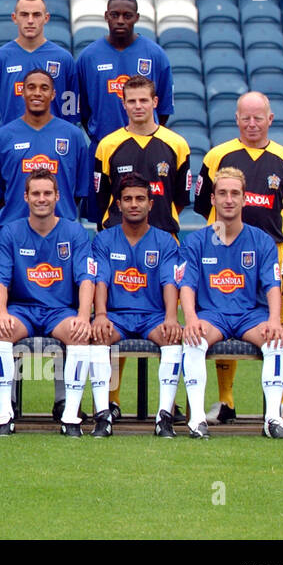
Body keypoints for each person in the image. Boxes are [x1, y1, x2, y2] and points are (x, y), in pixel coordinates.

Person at [194, 90, 283, 423]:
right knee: (223, 319)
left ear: (270, 119)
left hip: (271, 259)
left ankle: (282, 411)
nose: (252, 123)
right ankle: (226, 401)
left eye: (259, 117)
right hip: (224, 258)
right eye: (246, 117)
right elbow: (202, 207)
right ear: (236, 119)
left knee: (277, 330)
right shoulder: (217, 156)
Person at [177, 167, 283, 439]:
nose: (229, 199)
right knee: (193, 339)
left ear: (244, 199)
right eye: (222, 193)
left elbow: (273, 285)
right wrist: (191, 319)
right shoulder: (196, 241)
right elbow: (187, 285)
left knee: (275, 340)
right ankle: (196, 419)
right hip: (212, 315)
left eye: (235, 193)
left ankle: (273, 418)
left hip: (250, 315)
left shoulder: (262, 240)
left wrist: (275, 320)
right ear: (213, 199)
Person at [0, 170, 97, 437]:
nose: (41, 198)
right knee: (0, 331)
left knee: (80, 334)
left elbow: (86, 278)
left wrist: (84, 316)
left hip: (59, 311)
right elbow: (0, 279)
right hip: (22, 310)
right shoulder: (10, 232)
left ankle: (70, 415)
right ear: (25, 197)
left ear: (57, 196)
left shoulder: (74, 232)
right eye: (35, 193)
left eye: (47, 193)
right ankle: (4, 413)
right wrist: (0, 313)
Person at [91, 174, 184, 438]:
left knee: (172, 338)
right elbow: (101, 280)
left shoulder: (165, 241)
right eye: (128, 199)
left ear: (151, 204)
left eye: (140, 199)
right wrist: (100, 315)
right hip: (117, 316)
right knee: (98, 336)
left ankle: (164, 417)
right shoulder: (104, 240)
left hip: (152, 316)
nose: (134, 204)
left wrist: (170, 317)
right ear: (118, 204)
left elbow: (169, 281)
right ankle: (102, 415)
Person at [0, 68, 90, 226]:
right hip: (15, 229)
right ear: (22, 92)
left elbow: (78, 193)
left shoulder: (73, 136)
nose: (37, 93)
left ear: (53, 94)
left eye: (44, 88)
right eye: (31, 87)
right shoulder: (2, 137)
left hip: (61, 230)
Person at [92, 75, 191, 234]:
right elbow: (102, 199)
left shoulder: (177, 144)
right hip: (118, 238)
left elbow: (180, 200)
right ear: (124, 104)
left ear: (155, 102)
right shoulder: (107, 146)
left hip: (164, 237)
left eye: (144, 100)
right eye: (131, 101)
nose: (138, 106)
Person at [76, 0, 174, 143]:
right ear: (106, 16)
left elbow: (163, 109)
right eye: (115, 15)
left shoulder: (155, 55)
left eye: (127, 16)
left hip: (146, 146)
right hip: (102, 146)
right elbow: (83, 110)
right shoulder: (88, 57)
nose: (120, 21)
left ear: (136, 18)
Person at [0, 0, 80, 125]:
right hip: (12, 141)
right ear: (14, 18)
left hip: (53, 141)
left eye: (36, 15)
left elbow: (71, 111)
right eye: (24, 15)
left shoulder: (63, 59)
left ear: (46, 18)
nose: (30, 20)